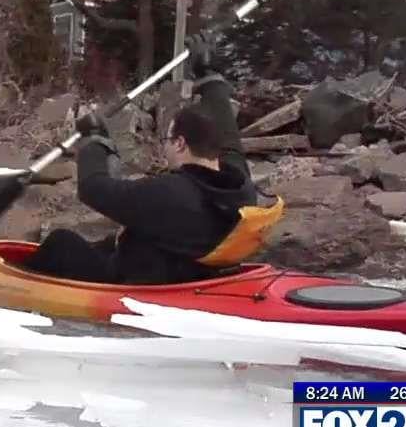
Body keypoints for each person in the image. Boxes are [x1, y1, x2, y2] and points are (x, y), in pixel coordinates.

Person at [20, 32, 283, 285]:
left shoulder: (170, 194)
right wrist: (208, 74)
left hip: (138, 282)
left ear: (180, 143)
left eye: (167, 140)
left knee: (60, 242)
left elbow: (93, 189)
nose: (165, 147)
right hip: (185, 272)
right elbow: (229, 136)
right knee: (108, 241)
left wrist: (94, 141)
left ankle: (16, 293)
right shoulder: (240, 186)